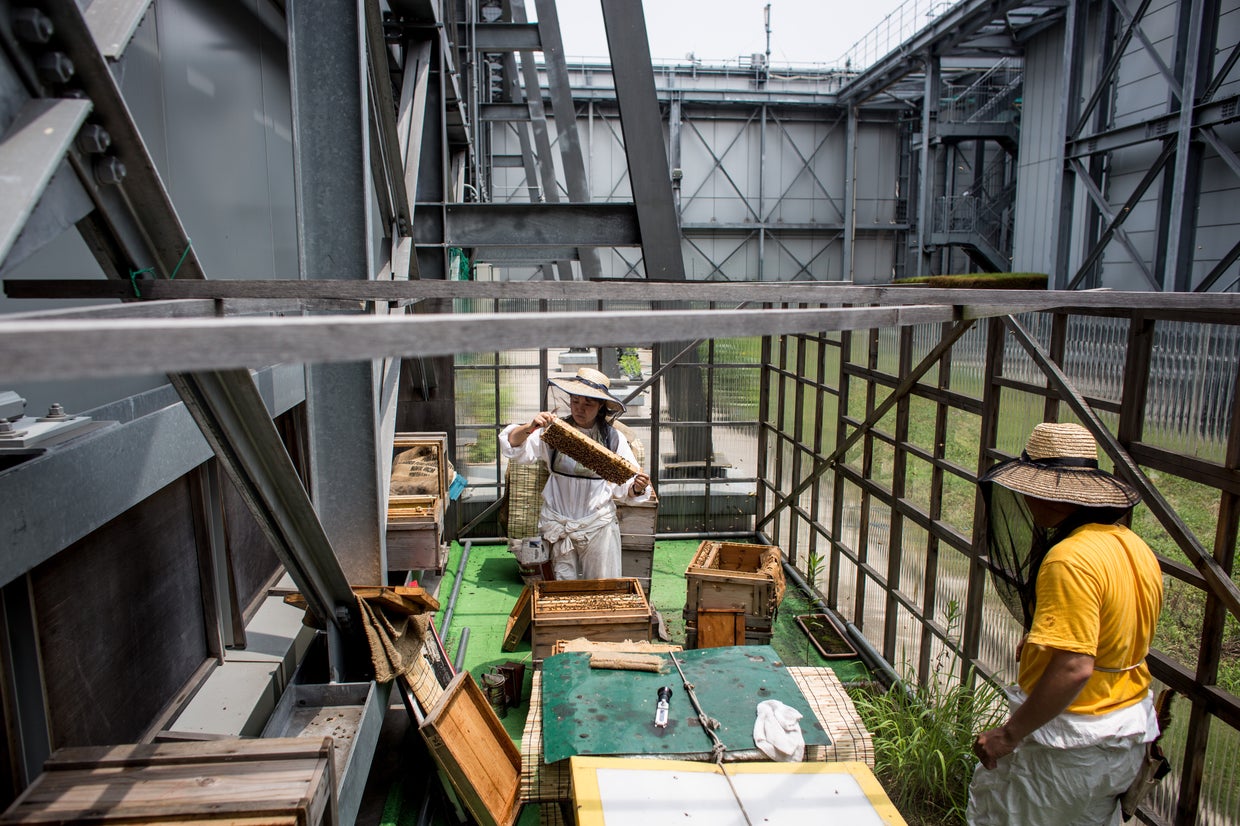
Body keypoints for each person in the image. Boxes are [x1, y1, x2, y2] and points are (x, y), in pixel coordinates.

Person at [968, 422, 1164, 826]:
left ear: (1045, 492)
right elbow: (1110, 632)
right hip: (1126, 731)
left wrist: (1008, 735)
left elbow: (1075, 667)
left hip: (1070, 743)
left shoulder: (1068, 559)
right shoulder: (1131, 544)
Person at [499, 367, 651, 581]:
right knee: (562, 588)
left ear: (600, 407)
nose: (580, 408)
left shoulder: (613, 438)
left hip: (598, 524)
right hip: (558, 523)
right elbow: (513, 445)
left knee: (601, 587)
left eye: (588, 403)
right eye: (575, 401)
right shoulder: (553, 431)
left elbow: (627, 484)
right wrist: (530, 427)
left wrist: (638, 486)